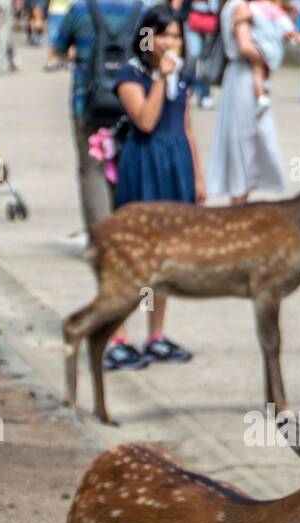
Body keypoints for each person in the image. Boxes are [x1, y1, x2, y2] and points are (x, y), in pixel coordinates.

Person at [100, 3, 202, 369]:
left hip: (175, 165)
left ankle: (156, 335)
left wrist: (198, 177)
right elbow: (144, 120)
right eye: (163, 35)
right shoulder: (131, 75)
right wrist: (160, 77)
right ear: (147, 37)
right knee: (134, 256)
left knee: (165, 257)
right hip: (144, 164)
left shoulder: (184, 76)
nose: (170, 42)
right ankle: (117, 336)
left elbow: (187, 128)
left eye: (176, 35)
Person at [53, 0, 146, 241]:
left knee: (92, 168)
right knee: (123, 163)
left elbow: (58, 49)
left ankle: (102, 238)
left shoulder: (80, 9)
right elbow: (148, 53)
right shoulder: (142, 10)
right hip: (131, 102)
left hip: (87, 101)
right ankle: (122, 232)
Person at [206, 0, 286, 201]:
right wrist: (267, 61)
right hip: (245, 77)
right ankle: (238, 205)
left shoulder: (232, 6)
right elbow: (245, 46)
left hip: (241, 76)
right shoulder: (240, 7)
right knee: (245, 142)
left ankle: (240, 200)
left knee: (244, 143)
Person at [246, 0, 297, 115]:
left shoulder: (252, 7)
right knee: (267, 73)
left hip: (259, 46)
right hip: (275, 49)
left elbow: (246, 18)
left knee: (257, 72)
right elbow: (289, 29)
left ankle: (261, 98)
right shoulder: (277, 11)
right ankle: (266, 90)